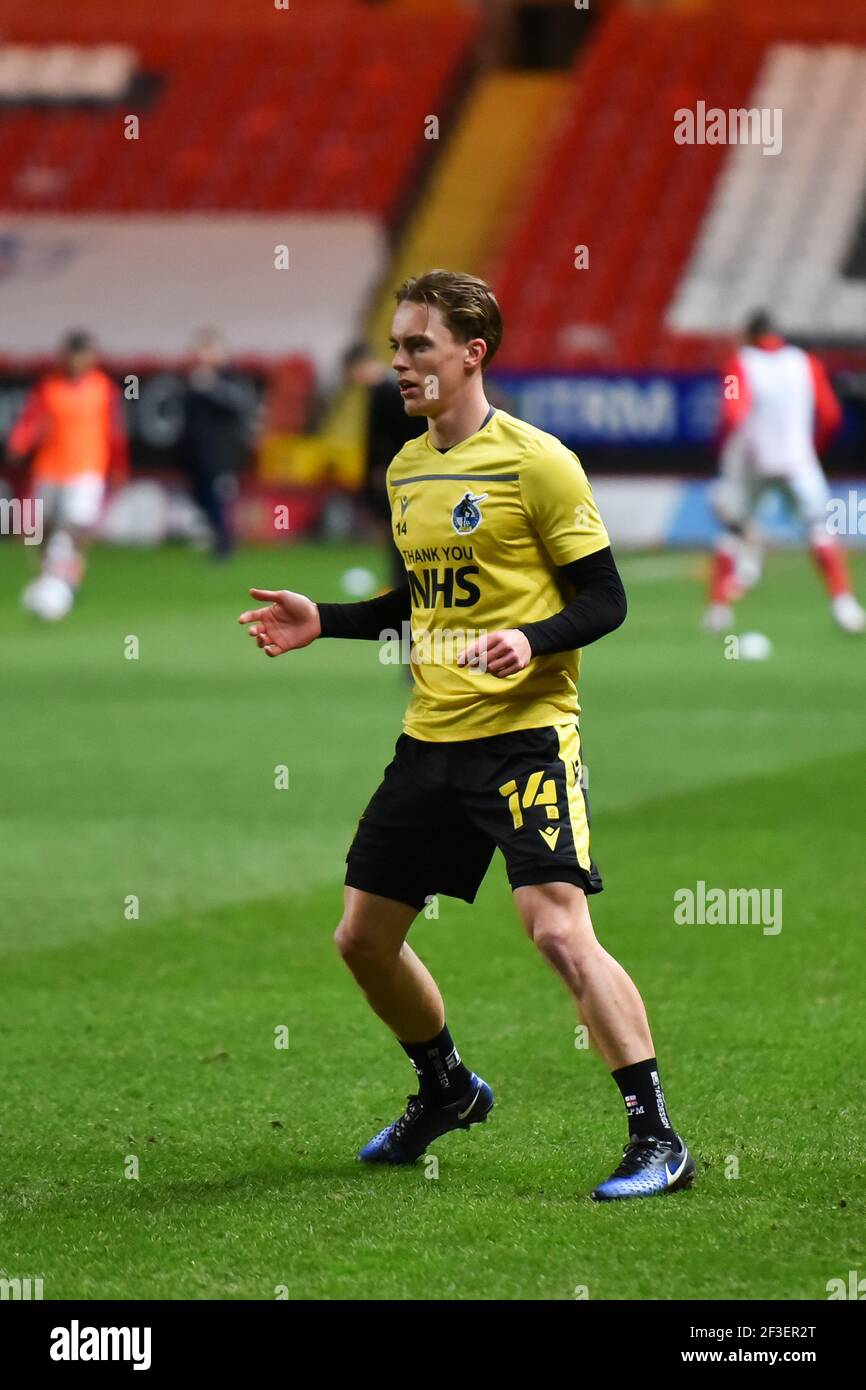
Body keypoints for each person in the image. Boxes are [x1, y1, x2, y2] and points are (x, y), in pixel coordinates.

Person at [239, 270, 694, 1202]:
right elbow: (421, 601)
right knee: (363, 938)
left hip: (525, 737)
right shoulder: (407, 468)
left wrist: (533, 639)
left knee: (557, 931)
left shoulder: (538, 463)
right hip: (431, 737)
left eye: (419, 347)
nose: (401, 364)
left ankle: (658, 1139)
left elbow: (607, 598)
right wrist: (326, 620)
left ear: (471, 354)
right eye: (396, 347)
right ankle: (446, 1087)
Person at [705, 310, 865, 634]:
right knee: (820, 531)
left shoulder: (740, 363)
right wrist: (812, 448)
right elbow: (831, 415)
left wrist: (721, 449)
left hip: (754, 461)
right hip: (798, 461)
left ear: (750, 335)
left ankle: (719, 611)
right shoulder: (807, 363)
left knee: (732, 530)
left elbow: (733, 412)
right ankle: (844, 606)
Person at [6, 329, 128, 612]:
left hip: (87, 469)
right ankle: (50, 575)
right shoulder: (49, 387)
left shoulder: (103, 389)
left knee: (76, 524)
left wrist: (119, 465)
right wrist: (19, 443)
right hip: (50, 467)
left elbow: (115, 432)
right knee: (46, 528)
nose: (77, 361)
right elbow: (31, 421)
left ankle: (67, 577)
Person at [344, 341, 425, 590]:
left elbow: (376, 441)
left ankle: (402, 585)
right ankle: (406, 584)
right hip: (415, 469)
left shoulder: (382, 392)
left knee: (399, 532)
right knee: (404, 531)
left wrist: (372, 476)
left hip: (399, 473)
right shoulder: (401, 386)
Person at [181, 329, 250, 559]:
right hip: (197, 453)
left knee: (219, 497)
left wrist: (212, 388)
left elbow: (239, 405)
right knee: (201, 496)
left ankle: (224, 543)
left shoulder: (230, 379)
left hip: (221, 454)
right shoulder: (193, 379)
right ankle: (215, 536)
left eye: (208, 349)